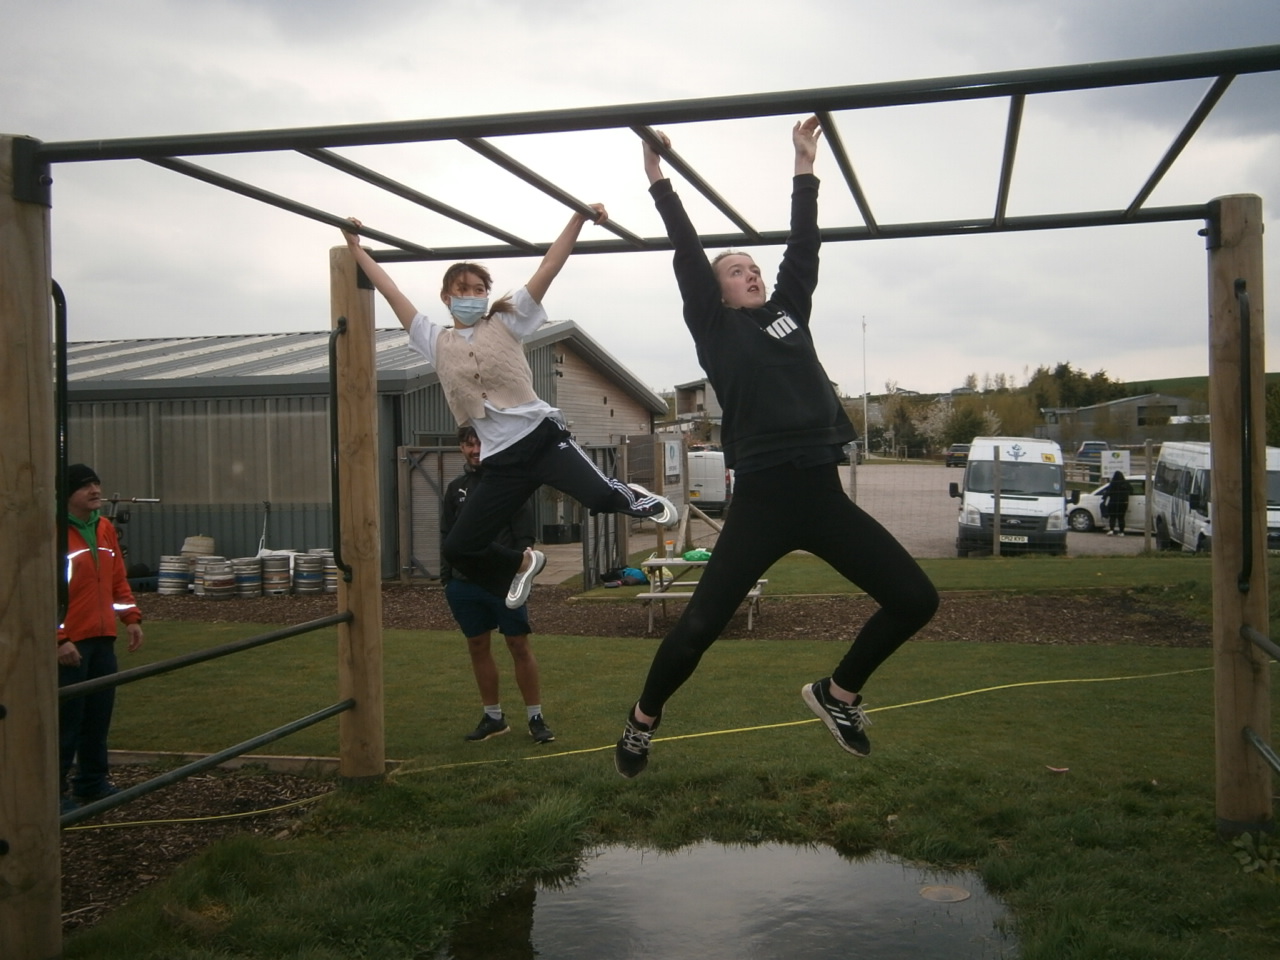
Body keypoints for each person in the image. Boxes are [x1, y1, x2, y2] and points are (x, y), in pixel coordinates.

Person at [614, 117, 940, 778]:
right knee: (701, 625)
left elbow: (805, 245)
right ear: (720, 290)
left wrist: (803, 165)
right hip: (763, 499)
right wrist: (657, 180)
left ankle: (837, 693)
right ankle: (643, 719)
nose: (753, 274)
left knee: (916, 599)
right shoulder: (715, 327)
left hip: (820, 493)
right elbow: (685, 253)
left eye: (754, 267)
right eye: (738, 270)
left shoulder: (790, 310)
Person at [342, 208, 677, 610]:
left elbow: (548, 268)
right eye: (462, 290)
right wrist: (356, 249)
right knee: (460, 547)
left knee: (603, 500)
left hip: (542, 440)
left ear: (487, 294)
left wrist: (576, 220)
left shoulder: (506, 322)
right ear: (446, 297)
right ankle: (522, 564)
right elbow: (392, 292)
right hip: (500, 461)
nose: (470, 296)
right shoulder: (433, 340)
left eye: (478, 288)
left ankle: (635, 497)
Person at [443, 425, 555, 743]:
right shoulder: (456, 489)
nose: (474, 449)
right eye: (468, 444)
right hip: (464, 585)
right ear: (461, 449)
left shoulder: (506, 485)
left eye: (479, 443)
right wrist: (447, 581)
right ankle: (493, 718)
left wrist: (520, 569)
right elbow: (446, 537)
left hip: (504, 584)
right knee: (478, 646)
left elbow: (524, 537)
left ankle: (535, 717)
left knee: (518, 646)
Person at [58, 463, 144, 812]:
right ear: (67, 495)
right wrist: (58, 638)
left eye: (96, 483)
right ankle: (52, 792)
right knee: (66, 720)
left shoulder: (104, 528)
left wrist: (130, 618)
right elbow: (40, 592)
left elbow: (116, 579)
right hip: (70, 641)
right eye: (85, 486)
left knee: (98, 715)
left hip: (102, 637)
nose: (95, 491)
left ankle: (92, 781)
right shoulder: (52, 532)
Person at [1100, 469, 1131, 536]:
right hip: (1123, 503)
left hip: (1113, 503)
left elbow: (1108, 492)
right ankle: (1122, 532)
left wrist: (1104, 498)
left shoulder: (1113, 484)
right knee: (1121, 518)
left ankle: (1111, 530)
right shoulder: (1125, 484)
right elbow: (1131, 490)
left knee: (1112, 517)